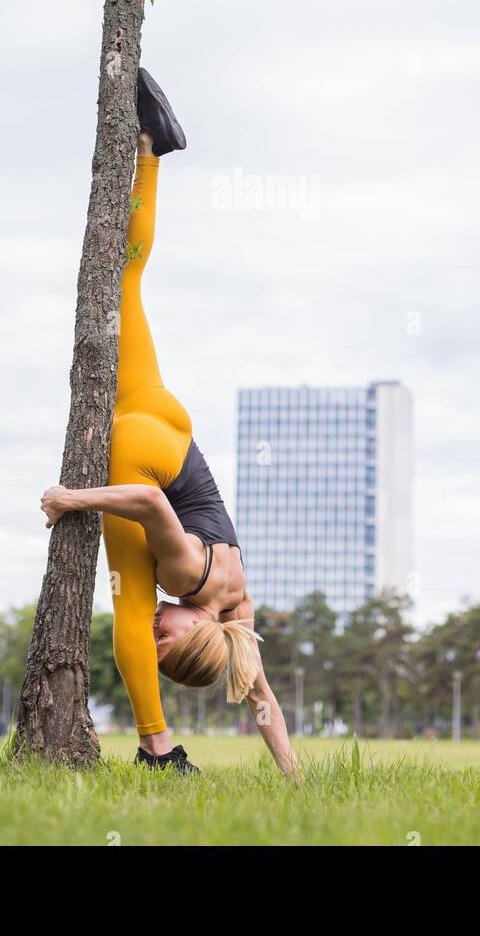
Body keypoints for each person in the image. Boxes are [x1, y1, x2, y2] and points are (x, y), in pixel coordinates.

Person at [41, 69, 298, 777]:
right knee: (127, 596)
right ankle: (160, 750)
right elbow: (151, 503)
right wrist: (73, 498)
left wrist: (296, 779)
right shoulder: (189, 575)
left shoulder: (238, 615)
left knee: (124, 279)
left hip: (171, 423)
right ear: (198, 626)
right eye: (171, 638)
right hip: (145, 455)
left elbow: (261, 699)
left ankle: (152, 146)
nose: (163, 631)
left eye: (161, 644)